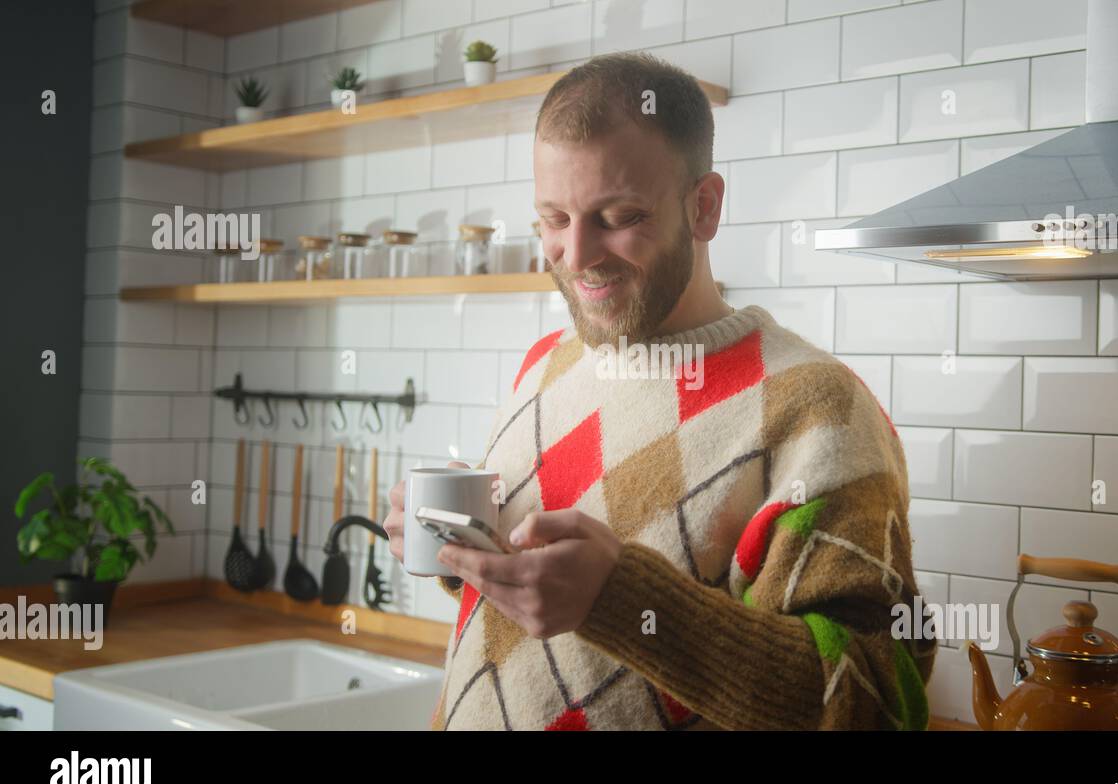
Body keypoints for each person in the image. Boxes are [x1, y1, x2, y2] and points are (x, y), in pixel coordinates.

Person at [383, 52, 936, 730]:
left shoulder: (815, 407)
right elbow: (541, 619)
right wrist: (464, 547)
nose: (578, 253)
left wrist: (621, 602)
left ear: (704, 207)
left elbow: (881, 697)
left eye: (617, 216)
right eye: (554, 217)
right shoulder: (544, 366)